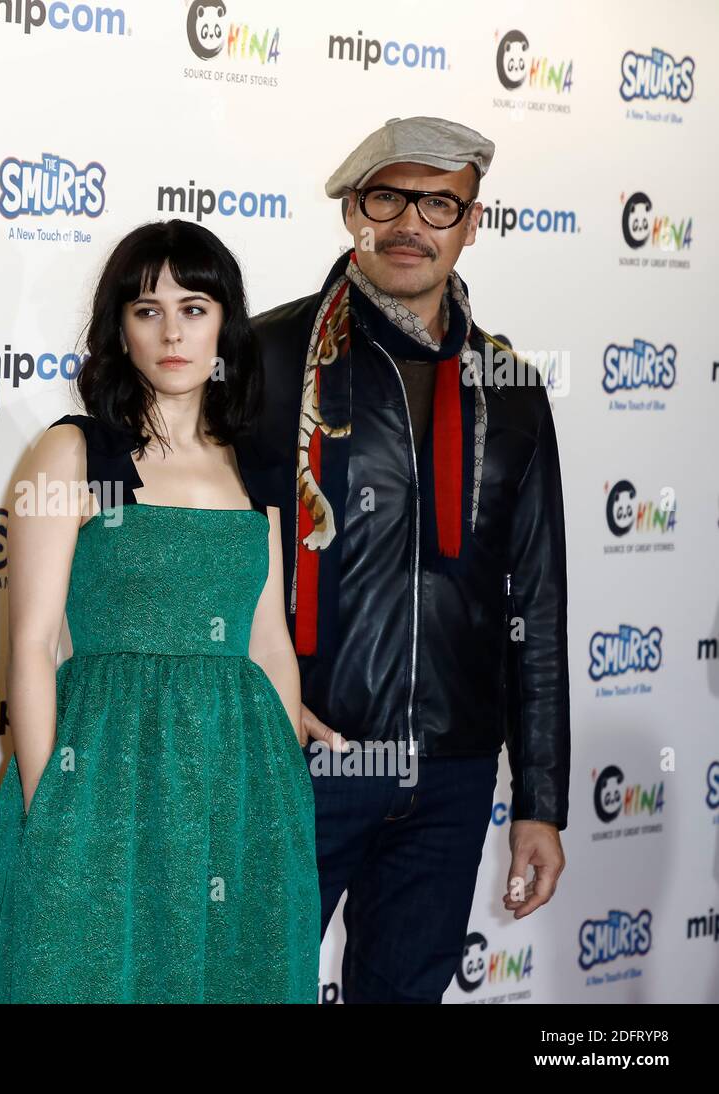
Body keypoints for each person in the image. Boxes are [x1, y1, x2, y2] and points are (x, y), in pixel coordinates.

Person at [252, 116, 571, 1003]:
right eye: (387, 197)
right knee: (242, 984)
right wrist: (260, 698)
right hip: (302, 758)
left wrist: (540, 800)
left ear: (472, 222)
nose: (410, 225)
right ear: (353, 210)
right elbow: (202, 545)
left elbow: (538, 602)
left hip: (452, 771)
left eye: (439, 203)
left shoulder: (509, 385)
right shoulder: (267, 359)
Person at [0, 219, 320, 1003]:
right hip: (100, 772)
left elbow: (269, 644)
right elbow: (29, 647)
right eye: (147, 310)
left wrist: (283, 793)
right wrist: (48, 802)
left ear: (225, 327)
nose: (172, 331)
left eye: (194, 308)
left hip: (239, 779)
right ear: (119, 330)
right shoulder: (73, 452)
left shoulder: (258, 466)